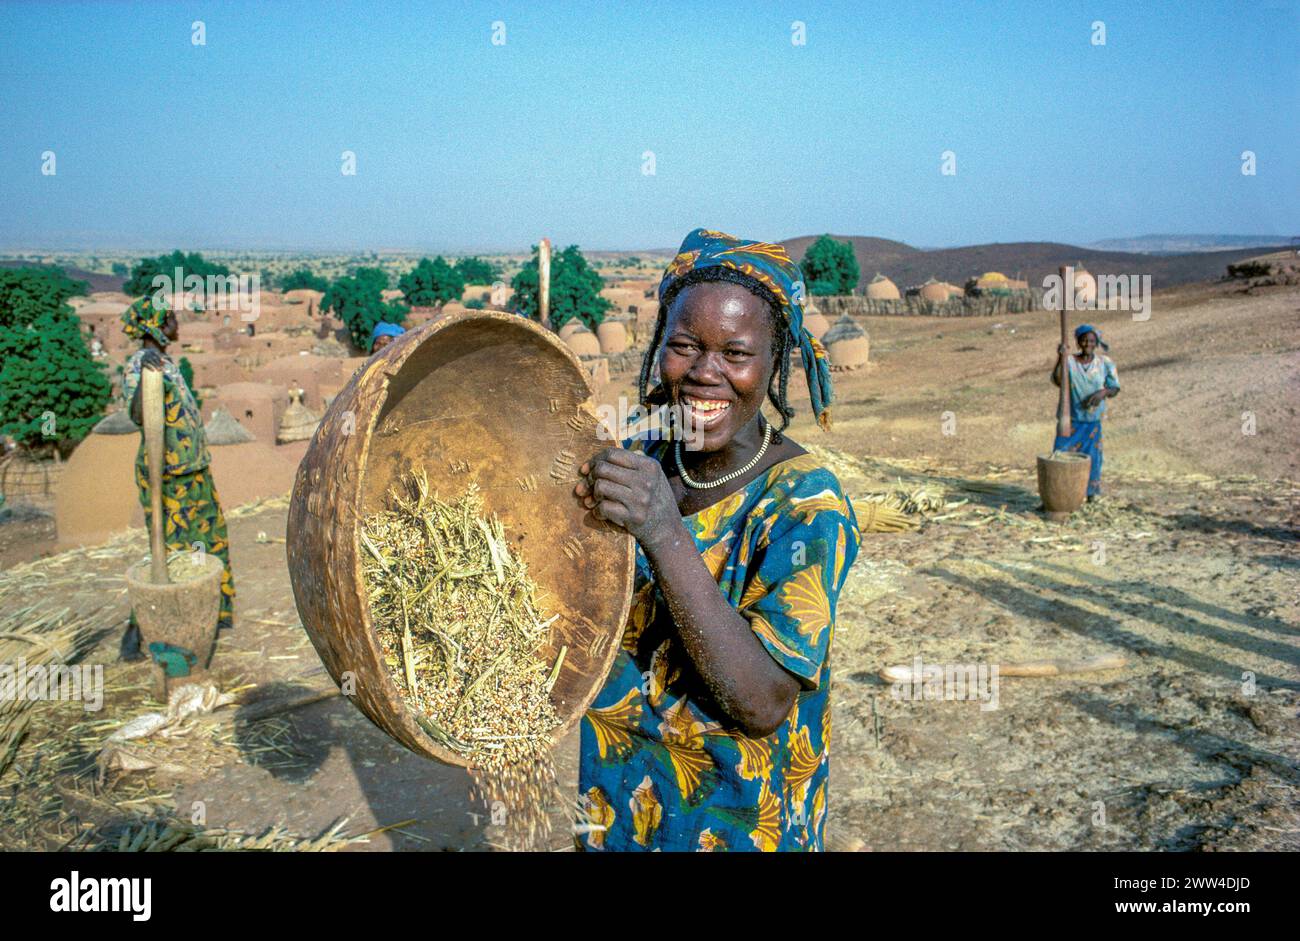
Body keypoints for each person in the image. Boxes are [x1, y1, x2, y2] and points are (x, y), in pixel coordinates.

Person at [573, 228, 861, 851]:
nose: (705, 373)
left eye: (735, 353)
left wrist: (661, 531)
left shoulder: (805, 503)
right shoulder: (639, 459)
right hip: (619, 806)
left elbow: (762, 702)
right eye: (683, 346)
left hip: (735, 821)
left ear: (774, 363)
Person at [118, 295, 235, 660]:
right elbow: (139, 414)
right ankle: (140, 628)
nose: (176, 326)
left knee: (208, 541)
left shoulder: (166, 363)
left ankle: (211, 612)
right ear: (154, 326)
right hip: (167, 474)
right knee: (166, 550)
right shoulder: (142, 365)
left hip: (192, 470)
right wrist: (145, 379)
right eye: (170, 320)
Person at [1050, 323, 1121, 501]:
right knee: (1061, 454)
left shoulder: (1104, 363)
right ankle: (1062, 496)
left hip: (1092, 421)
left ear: (1096, 343)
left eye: (1091, 341)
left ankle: (1091, 496)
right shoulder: (1070, 362)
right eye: (1084, 340)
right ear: (1078, 342)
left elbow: (1114, 387)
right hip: (1070, 420)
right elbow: (1059, 380)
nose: (1087, 344)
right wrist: (1061, 357)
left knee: (1093, 459)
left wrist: (1102, 392)